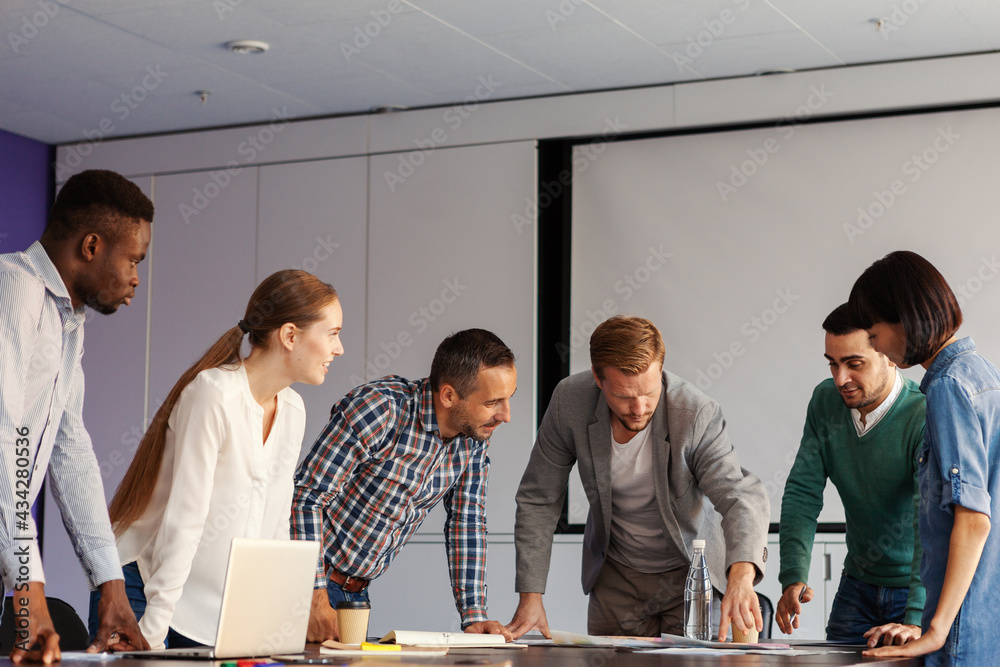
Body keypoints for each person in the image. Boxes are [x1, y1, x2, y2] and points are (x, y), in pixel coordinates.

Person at [89, 270, 343, 650]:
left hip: (210, 610)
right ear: (290, 336)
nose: (338, 349)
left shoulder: (293, 409)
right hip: (144, 589)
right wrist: (153, 638)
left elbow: (275, 525)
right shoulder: (214, 394)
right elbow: (185, 521)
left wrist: (272, 625)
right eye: (333, 333)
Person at [507, 316, 770, 641]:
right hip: (617, 576)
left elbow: (739, 496)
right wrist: (531, 596)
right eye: (623, 396)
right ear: (598, 379)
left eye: (649, 391)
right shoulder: (570, 401)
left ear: (660, 370)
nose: (639, 407)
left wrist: (741, 575)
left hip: (690, 573)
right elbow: (539, 498)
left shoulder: (694, 412)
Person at [0, 169, 153, 662]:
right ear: (91, 246)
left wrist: (111, 586)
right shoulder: (13, 287)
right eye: (132, 260)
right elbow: (2, 443)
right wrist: (29, 589)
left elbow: (70, 453)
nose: (135, 279)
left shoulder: (68, 321)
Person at [293, 329, 517, 642]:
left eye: (509, 399)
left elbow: (466, 524)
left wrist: (473, 615)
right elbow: (307, 497)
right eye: (493, 402)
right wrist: (314, 594)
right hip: (302, 583)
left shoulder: (474, 439)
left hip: (356, 596)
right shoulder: (381, 409)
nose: (506, 415)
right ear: (449, 396)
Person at [849, 250, 1000, 665]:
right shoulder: (982, 373)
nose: (874, 343)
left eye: (874, 330)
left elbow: (973, 519)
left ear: (904, 318)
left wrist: (935, 632)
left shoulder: (948, 386)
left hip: (961, 627)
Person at [777, 303, 926, 646]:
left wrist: (916, 618)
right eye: (833, 363)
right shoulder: (825, 401)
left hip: (915, 591)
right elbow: (802, 492)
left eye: (854, 364)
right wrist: (793, 577)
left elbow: (927, 521)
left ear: (890, 356)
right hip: (857, 584)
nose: (840, 379)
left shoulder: (922, 413)